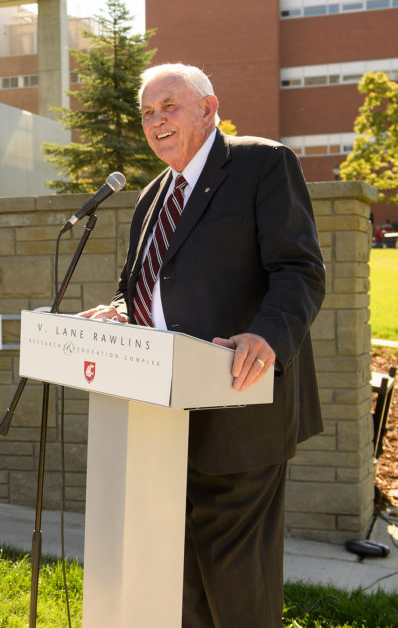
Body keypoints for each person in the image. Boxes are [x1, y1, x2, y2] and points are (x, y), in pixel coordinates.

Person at [80, 63, 325, 627]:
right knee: (178, 573)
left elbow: (300, 271)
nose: (155, 120)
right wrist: (119, 313)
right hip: (161, 417)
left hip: (239, 402)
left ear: (208, 108)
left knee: (237, 576)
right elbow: (142, 287)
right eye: (147, 112)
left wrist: (267, 333)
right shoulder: (151, 197)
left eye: (169, 106)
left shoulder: (262, 165)